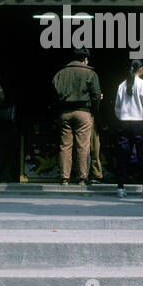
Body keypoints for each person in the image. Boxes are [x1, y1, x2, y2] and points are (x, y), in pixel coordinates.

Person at [52, 46, 100, 188]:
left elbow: (54, 93)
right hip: (83, 112)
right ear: (85, 59)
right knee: (83, 146)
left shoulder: (61, 73)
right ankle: (81, 178)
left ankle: (64, 178)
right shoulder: (90, 73)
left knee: (65, 146)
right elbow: (96, 94)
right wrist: (93, 110)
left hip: (65, 113)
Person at [114, 59, 143, 198]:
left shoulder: (121, 85)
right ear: (141, 69)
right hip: (140, 124)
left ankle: (120, 187)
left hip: (124, 123)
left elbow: (117, 107)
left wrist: (122, 117)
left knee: (123, 156)